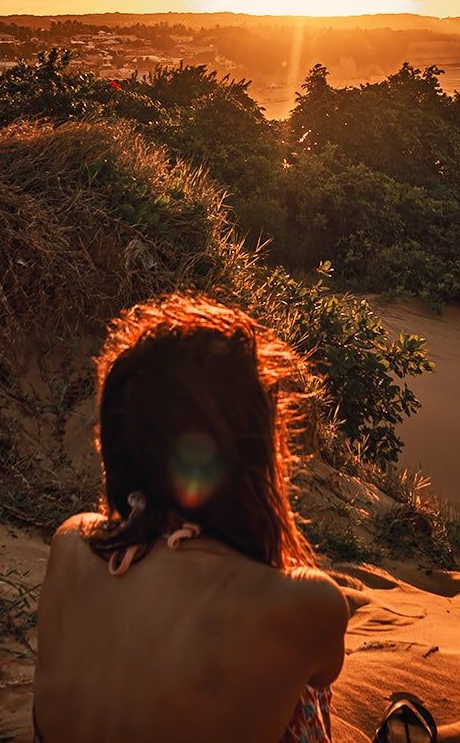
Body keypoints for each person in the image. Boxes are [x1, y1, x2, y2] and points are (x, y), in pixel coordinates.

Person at [33, 295, 348, 742]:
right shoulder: (305, 605)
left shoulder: (70, 542)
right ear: (250, 452)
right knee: (304, 701)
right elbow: (326, 670)